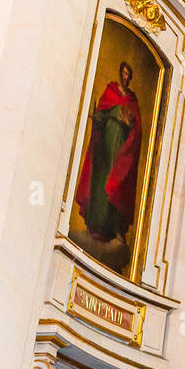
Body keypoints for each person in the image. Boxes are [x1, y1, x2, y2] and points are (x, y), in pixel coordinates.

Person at [75, 60, 142, 249]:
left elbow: (137, 130)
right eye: (124, 73)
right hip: (105, 146)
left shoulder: (132, 100)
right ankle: (95, 226)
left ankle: (113, 229)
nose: (125, 76)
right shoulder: (110, 90)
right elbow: (101, 114)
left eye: (128, 74)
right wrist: (101, 117)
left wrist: (129, 125)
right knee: (102, 181)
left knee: (117, 185)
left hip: (121, 150)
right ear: (120, 73)